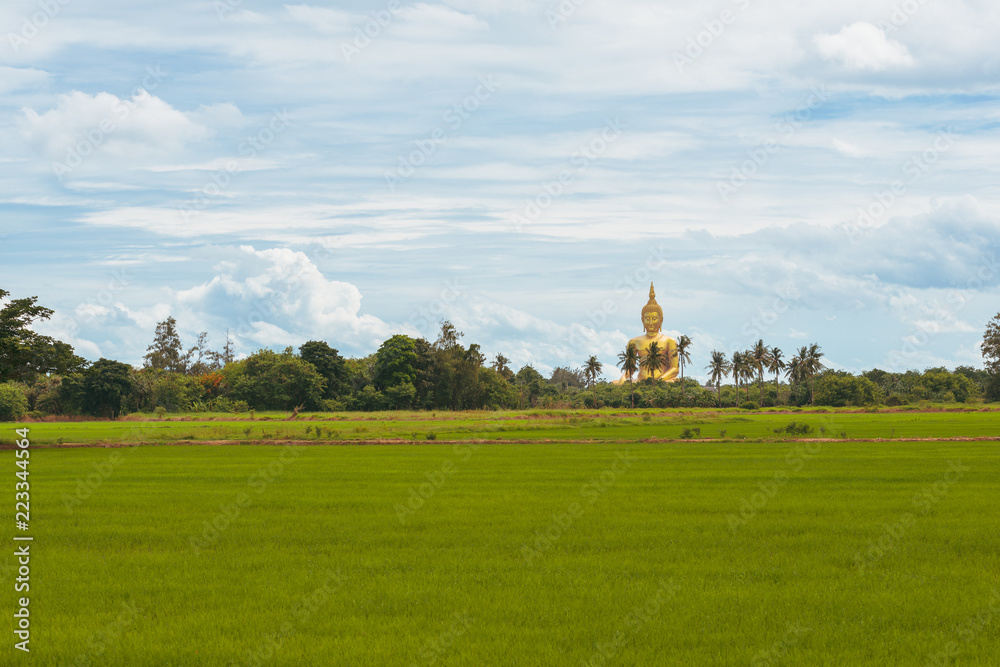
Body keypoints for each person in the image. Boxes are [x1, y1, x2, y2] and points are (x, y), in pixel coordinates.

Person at [614, 283, 679, 384]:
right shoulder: (634, 342)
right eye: (647, 319)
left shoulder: (669, 341)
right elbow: (630, 368)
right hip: (641, 382)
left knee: (673, 382)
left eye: (654, 319)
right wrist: (623, 378)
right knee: (615, 383)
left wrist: (659, 381)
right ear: (642, 320)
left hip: (663, 381)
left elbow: (675, 369)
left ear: (661, 320)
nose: (650, 322)